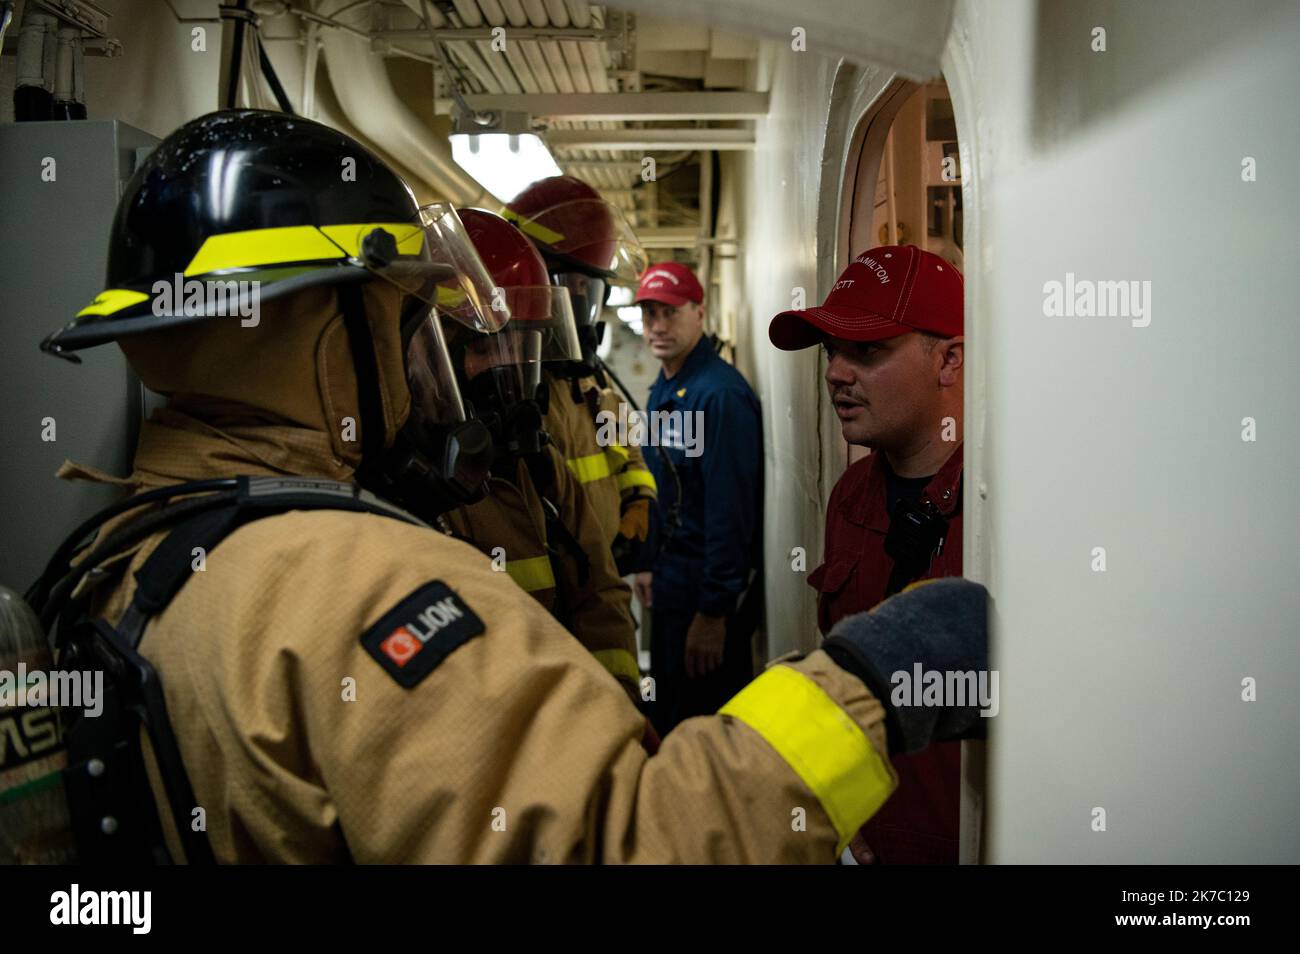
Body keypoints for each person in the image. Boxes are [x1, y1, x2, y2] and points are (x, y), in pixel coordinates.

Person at [30, 111, 988, 864]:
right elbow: (641, 848)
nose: (425, 366)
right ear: (332, 339)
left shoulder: (122, 549)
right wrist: (865, 683)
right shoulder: (352, 582)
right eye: (409, 327)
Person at [768, 244, 966, 864]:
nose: (835, 372)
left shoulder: (1003, 510)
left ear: (950, 361)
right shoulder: (851, 496)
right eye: (832, 351)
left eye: (868, 351)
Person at [440, 209, 641, 699]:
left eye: (519, 346)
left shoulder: (538, 462)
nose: (506, 367)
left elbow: (600, 592)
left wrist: (621, 701)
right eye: (485, 347)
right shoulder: (416, 489)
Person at [502, 176, 658, 572]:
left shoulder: (588, 378)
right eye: (565, 284)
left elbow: (622, 440)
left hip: (599, 577)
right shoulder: (511, 388)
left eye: (586, 288)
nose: (576, 300)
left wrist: (637, 494)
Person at [633, 262, 763, 736]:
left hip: (700, 594)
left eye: (670, 313)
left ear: (699, 312)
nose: (658, 327)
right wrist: (646, 562)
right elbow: (658, 485)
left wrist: (713, 614)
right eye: (649, 315)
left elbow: (730, 512)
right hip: (668, 584)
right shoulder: (666, 388)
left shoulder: (719, 398)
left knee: (699, 729)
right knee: (667, 714)